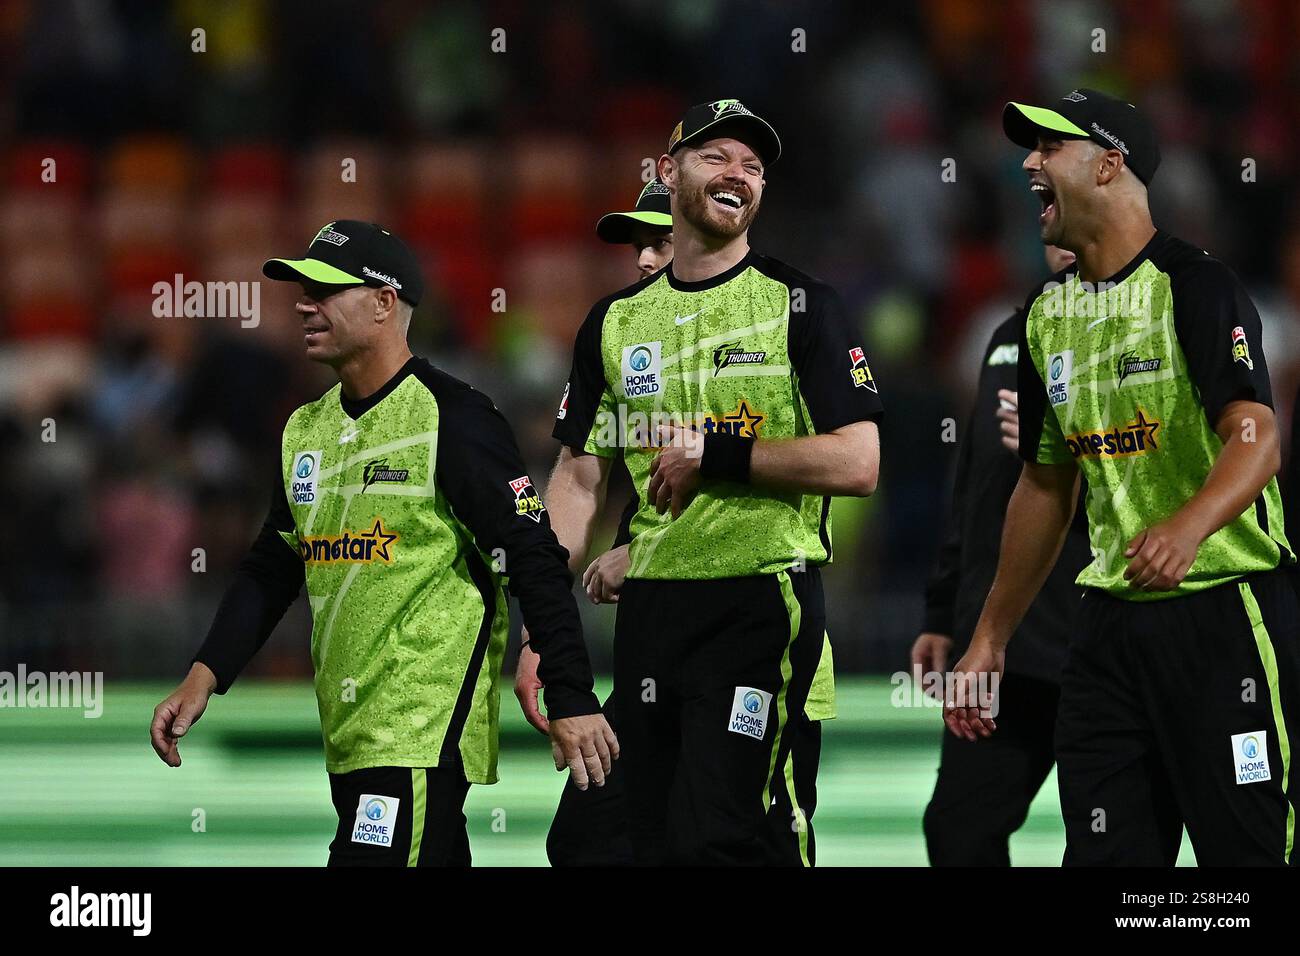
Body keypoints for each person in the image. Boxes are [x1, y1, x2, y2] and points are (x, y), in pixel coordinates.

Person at [149, 220, 615, 866]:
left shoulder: (455, 419)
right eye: (303, 291)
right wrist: (203, 678)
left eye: (325, 290)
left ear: (383, 303)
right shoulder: (304, 431)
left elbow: (532, 554)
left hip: (417, 738)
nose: (305, 305)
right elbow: (273, 565)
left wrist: (570, 692)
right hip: (351, 738)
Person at [946, 90, 1300, 865]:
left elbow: (1257, 433)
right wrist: (989, 637)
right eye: (1028, 149)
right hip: (1105, 630)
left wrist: (1186, 526)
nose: (1029, 164)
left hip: (1221, 615)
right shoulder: (1044, 318)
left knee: (1245, 854)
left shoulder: (1197, 287)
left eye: (1049, 149)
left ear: (1109, 165)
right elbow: (1044, 485)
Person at [549, 99, 882, 865]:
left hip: (759, 602)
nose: (738, 173)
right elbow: (576, 475)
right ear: (667, 173)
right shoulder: (613, 322)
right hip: (652, 617)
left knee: (727, 839)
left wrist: (724, 453)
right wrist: (544, 624)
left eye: (754, 165)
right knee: (603, 841)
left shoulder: (804, 306)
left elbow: (858, 464)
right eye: (715, 157)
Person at [917, 245, 1092, 865]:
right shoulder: (1009, 333)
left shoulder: (1153, 328)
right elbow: (973, 483)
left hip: (1095, 643)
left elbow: (1178, 480)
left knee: (1107, 838)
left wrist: (1071, 451)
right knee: (958, 831)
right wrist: (942, 612)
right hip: (996, 649)